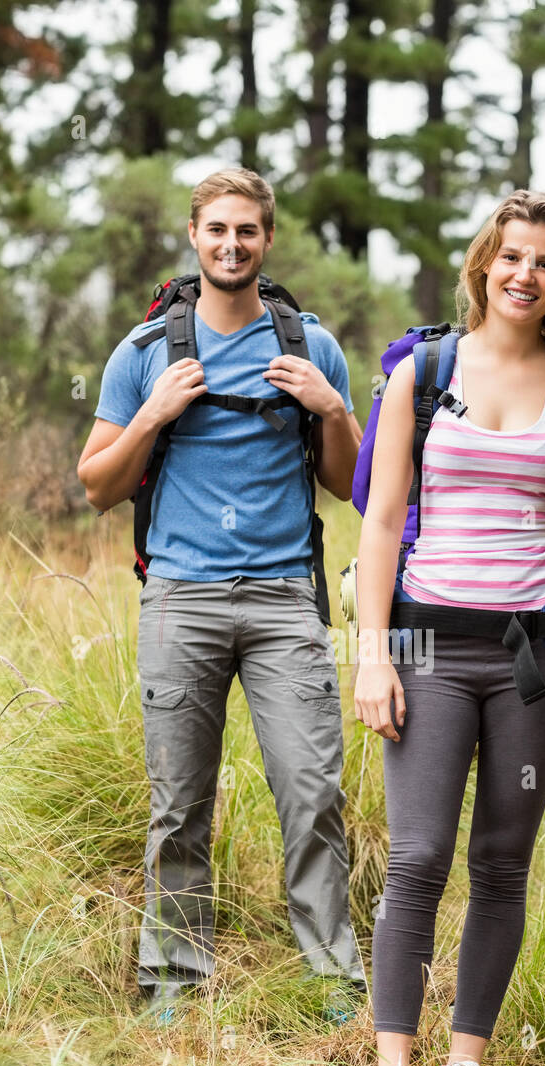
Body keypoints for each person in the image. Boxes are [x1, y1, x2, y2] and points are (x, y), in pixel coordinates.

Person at [348, 190, 545, 1066]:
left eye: (544, 261)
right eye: (510, 256)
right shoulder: (421, 375)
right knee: (417, 858)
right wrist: (372, 655)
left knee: (502, 861)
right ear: (483, 263)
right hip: (425, 643)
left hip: (536, 653)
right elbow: (381, 520)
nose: (524, 274)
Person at [77, 168, 366, 1021]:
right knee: (179, 806)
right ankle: (173, 981)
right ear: (195, 238)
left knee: (313, 794)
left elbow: (349, 486)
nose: (232, 244)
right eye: (217, 231)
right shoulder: (142, 355)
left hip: (284, 603)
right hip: (179, 599)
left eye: (247, 231)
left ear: (267, 240)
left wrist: (332, 408)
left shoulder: (312, 346)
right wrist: (152, 414)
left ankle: (333, 985)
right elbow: (96, 487)